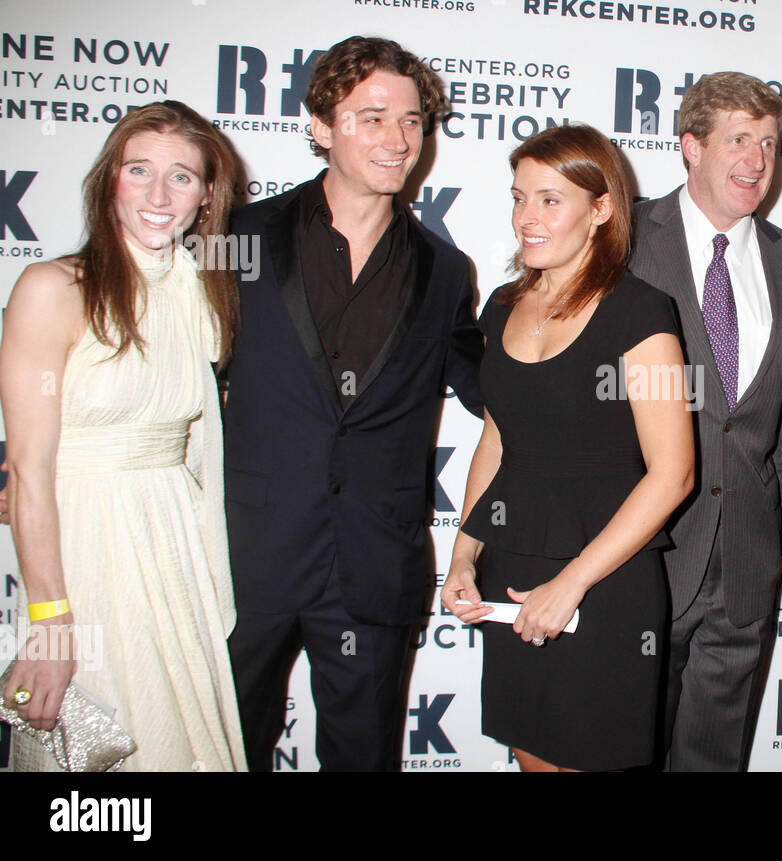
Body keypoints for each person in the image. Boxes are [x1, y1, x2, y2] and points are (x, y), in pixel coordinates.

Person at [222, 36, 483, 771]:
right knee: (222, 749)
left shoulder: (442, 268)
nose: (398, 140)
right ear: (320, 125)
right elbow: (175, 365)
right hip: (248, 553)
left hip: (373, 560)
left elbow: (495, 386)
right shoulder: (243, 237)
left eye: (410, 121)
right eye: (372, 117)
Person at [0, 101, 245, 771]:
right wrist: (51, 625)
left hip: (173, 545)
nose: (159, 195)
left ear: (206, 196)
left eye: (182, 177)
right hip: (84, 546)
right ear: (109, 179)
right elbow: (28, 470)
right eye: (139, 170)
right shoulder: (52, 288)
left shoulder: (201, 291)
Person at [442, 123, 693, 771]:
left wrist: (572, 582)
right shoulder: (502, 306)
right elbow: (498, 436)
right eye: (519, 197)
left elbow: (673, 475)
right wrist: (464, 553)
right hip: (513, 566)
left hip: (604, 579)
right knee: (533, 756)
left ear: (600, 208)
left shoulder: (644, 313)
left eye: (550, 199)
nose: (528, 216)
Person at [627, 71, 782, 771]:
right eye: (739, 139)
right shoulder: (622, 236)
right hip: (641, 552)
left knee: (715, 758)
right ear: (690, 146)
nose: (757, 160)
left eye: (770, 143)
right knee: (627, 746)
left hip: (746, 558)